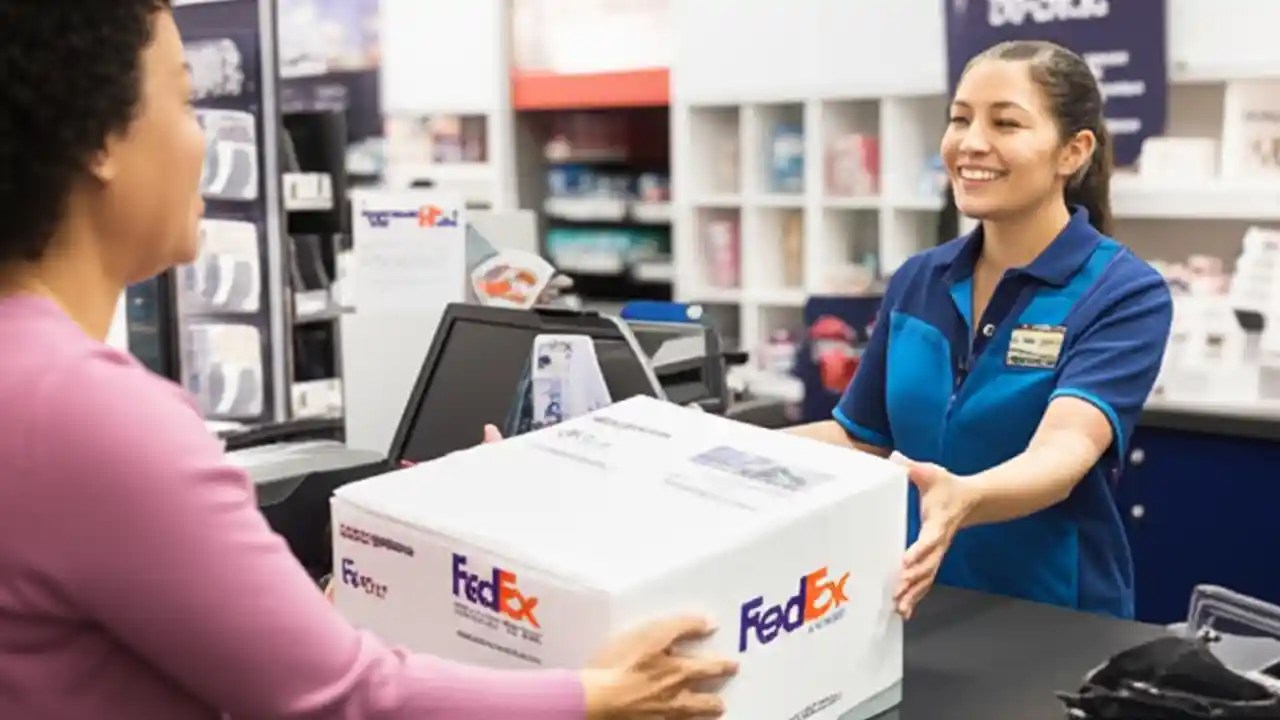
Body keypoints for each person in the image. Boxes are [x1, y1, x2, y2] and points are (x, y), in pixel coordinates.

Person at [0, 3, 735, 718]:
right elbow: (346, 700)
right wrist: (601, 695)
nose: (204, 142)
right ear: (99, 138)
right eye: (186, 101)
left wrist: (304, 620)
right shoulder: (86, 414)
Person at [790, 40, 1173, 621]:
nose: (971, 143)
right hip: (911, 600)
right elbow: (863, 434)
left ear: (1073, 151)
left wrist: (966, 498)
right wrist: (708, 443)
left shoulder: (1123, 292)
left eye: (1005, 122)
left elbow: (1064, 449)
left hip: (1053, 620)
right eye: (960, 119)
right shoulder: (920, 279)